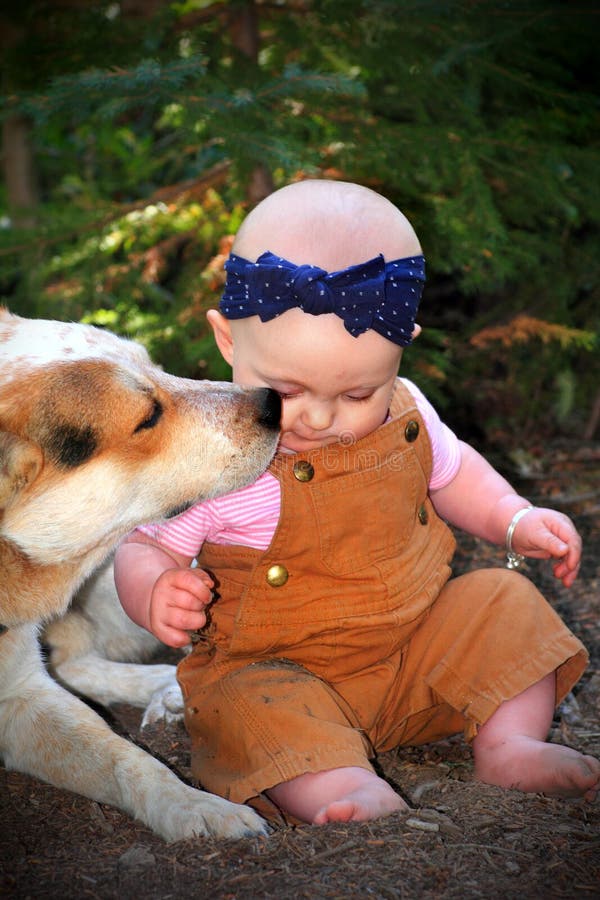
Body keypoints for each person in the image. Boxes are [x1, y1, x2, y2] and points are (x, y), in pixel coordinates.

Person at [115, 179, 600, 825]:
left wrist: (513, 516)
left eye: (356, 394)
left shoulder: (407, 411)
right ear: (229, 342)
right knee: (239, 699)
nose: (317, 417)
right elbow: (143, 542)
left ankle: (509, 744)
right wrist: (152, 590)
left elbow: (454, 474)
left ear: (400, 351)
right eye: (285, 389)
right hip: (281, 673)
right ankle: (338, 782)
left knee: (501, 599)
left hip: (414, 654)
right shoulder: (213, 450)